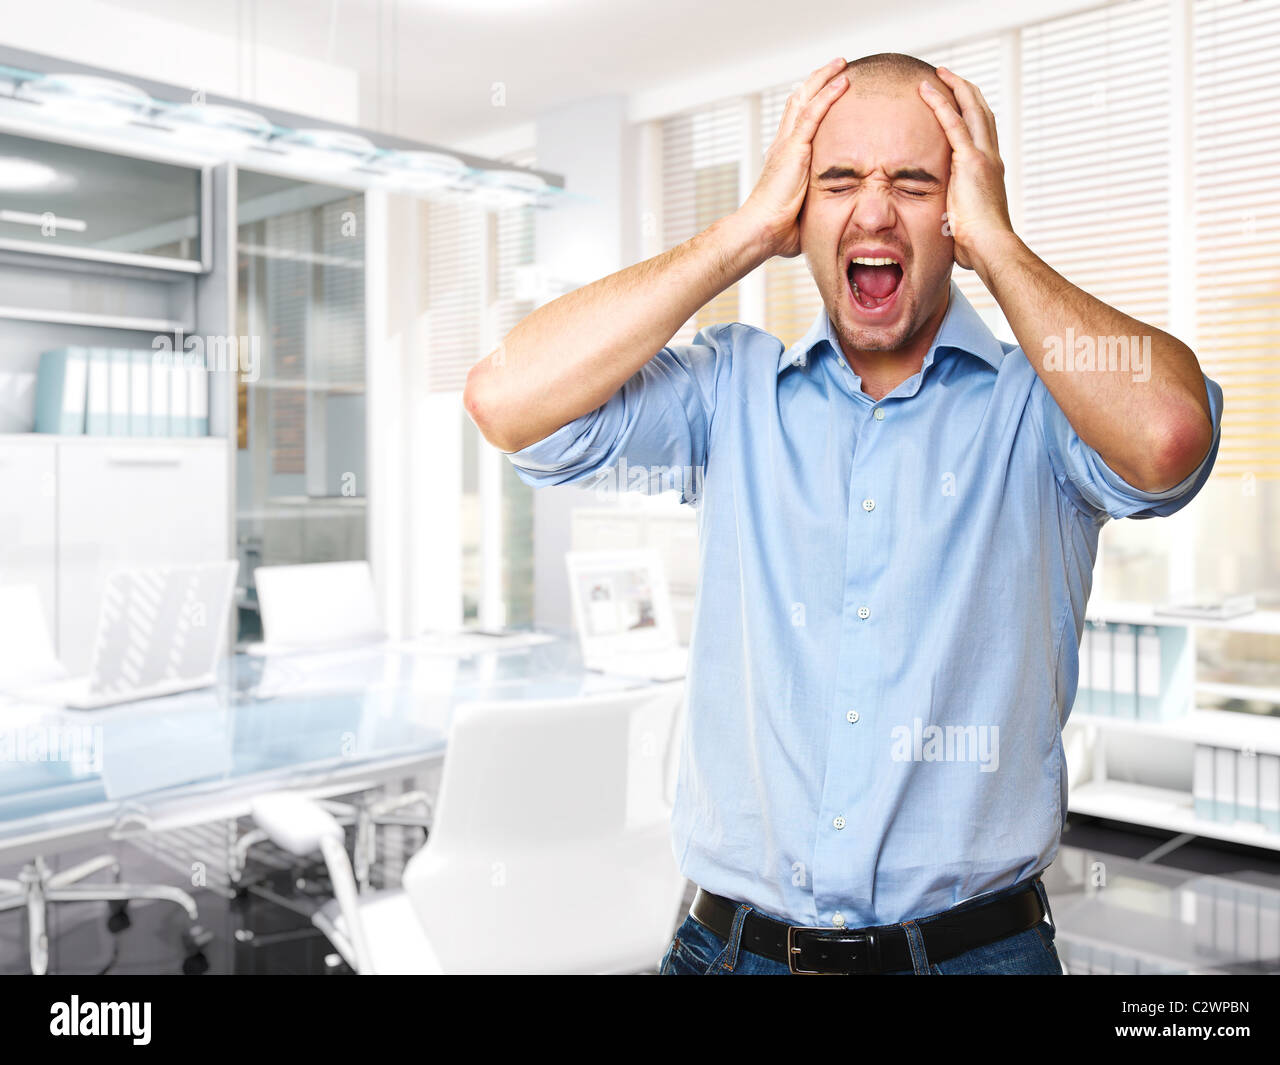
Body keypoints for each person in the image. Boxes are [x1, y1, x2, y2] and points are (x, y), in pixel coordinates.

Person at [462, 52, 1223, 975]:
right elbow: (508, 400)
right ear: (799, 210)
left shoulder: (1044, 409)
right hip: (729, 952)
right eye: (836, 181)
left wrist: (1004, 248)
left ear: (957, 213)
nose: (872, 210)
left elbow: (1172, 435)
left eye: (913, 180)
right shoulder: (729, 392)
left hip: (975, 957)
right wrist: (740, 234)